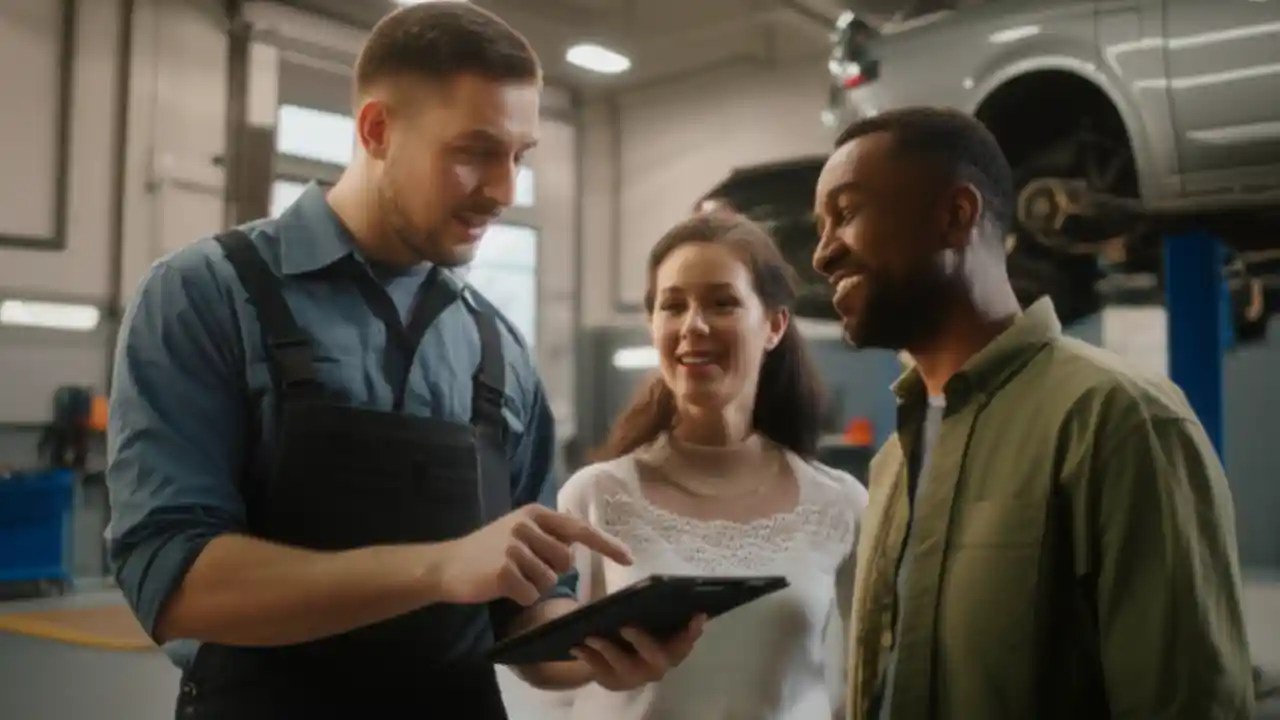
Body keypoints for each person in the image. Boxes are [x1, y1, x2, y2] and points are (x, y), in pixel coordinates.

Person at [104, 4, 700, 717]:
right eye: (474, 151)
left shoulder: (497, 347)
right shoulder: (207, 294)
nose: (504, 191)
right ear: (376, 130)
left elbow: (528, 608)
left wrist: (597, 649)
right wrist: (439, 568)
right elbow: (172, 581)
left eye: (519, 156)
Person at [810, 106, 1256, 719]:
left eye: (846, 213)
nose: (822, 254)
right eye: (821, 226)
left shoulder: (1116, 421)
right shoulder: (892, 464)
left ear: (955, 215)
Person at [558, 210, 870, 719]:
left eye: (722, 303)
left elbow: (861, 683)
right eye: (672, 306)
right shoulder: (595, 497)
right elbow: (558, 679)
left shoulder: (840, 504)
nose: (693, 326)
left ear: (774, 325)